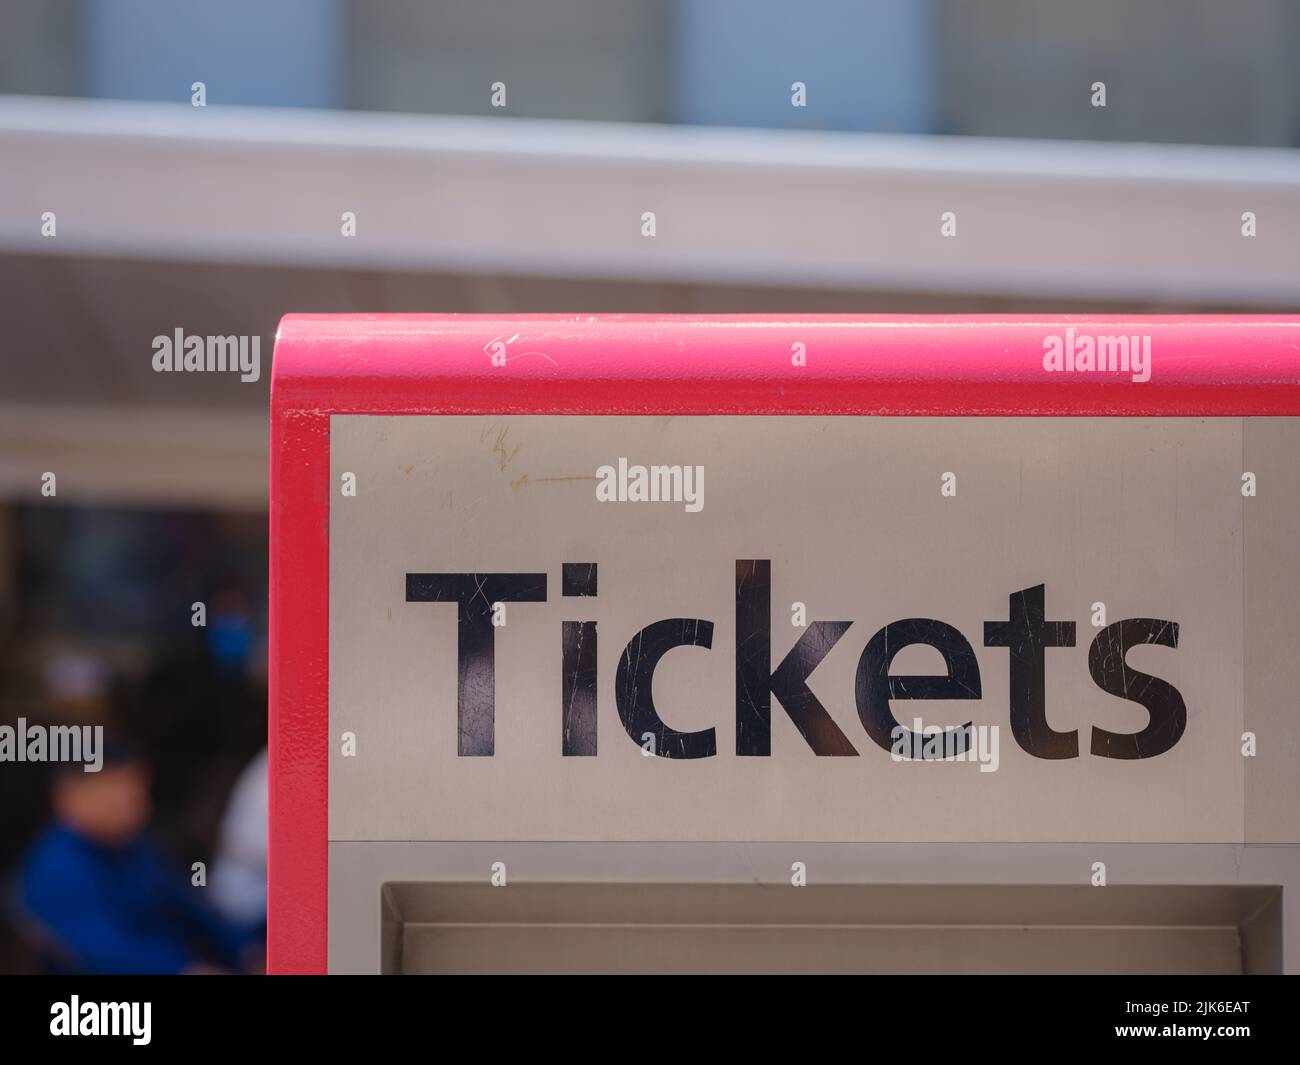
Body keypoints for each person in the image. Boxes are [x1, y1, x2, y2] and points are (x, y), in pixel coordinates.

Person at [15, 746, 255, 974]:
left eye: (140, 793)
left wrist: (246, 951)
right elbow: (105, 953)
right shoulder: (57, 867)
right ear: (70, 796)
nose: (139, 806)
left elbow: (189, 909)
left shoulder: (134, 849)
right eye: (120, 795)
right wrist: (183, 971)